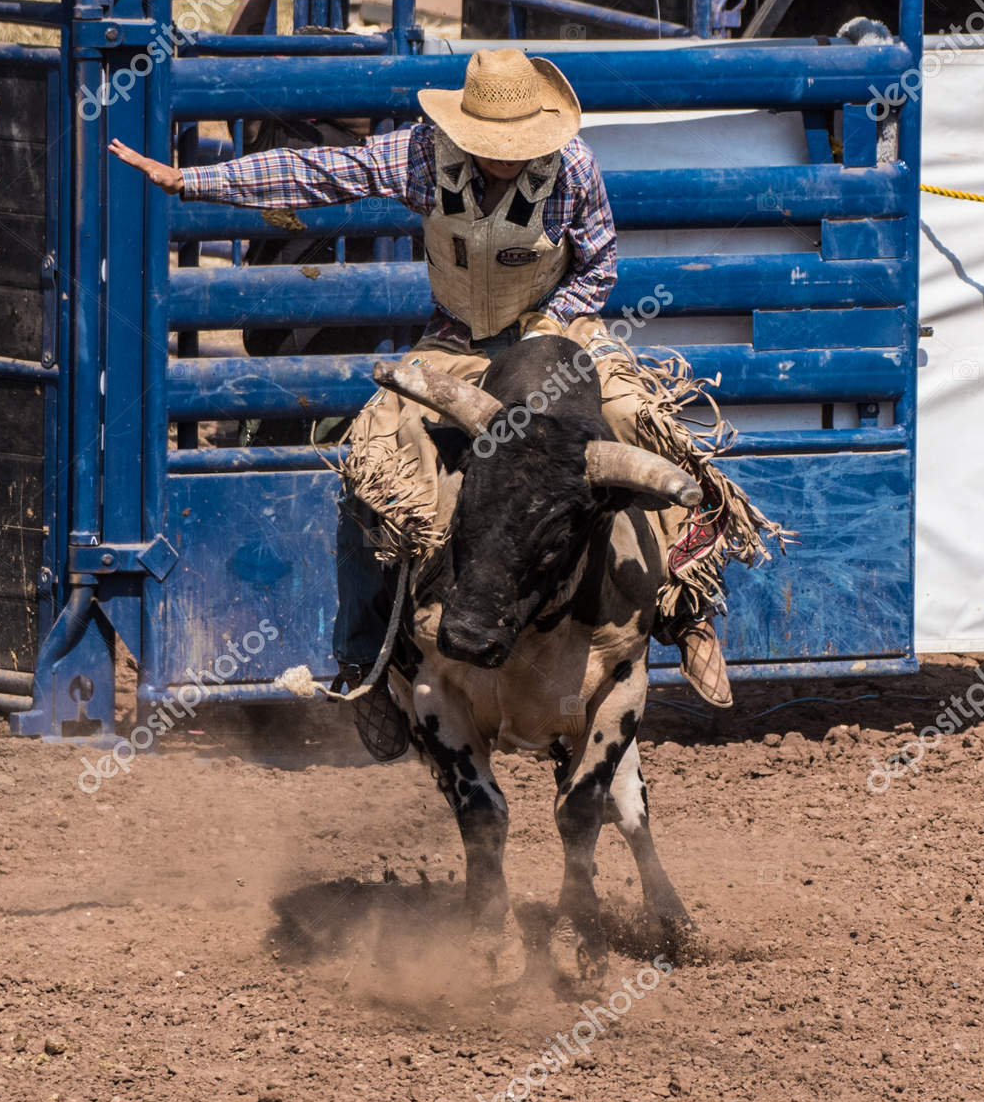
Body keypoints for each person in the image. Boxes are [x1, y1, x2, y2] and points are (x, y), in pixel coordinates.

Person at [111, 48, 780, 757]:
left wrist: (556, 323)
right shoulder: (424, 154)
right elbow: (321, 173)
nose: (500, 159)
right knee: (370, 465)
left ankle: (687, 605)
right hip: (455, 343)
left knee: (641, 427)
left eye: (513, 146)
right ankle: (364, 661)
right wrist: (189, 181)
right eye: (491, 145)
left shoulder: (573, 167)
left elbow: (601, 262)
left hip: (555, 335)